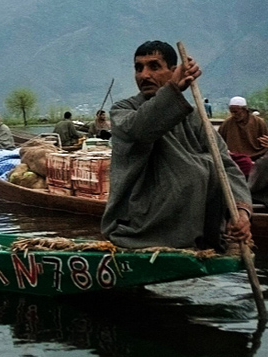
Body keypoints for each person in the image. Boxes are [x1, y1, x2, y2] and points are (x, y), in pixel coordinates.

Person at [101, 40, 252, 251]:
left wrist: (241, 213)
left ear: (173, 71)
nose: (144, 75)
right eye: (139, 68)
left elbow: (226, 166)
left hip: (196, 230)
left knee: (211, 163)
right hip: (139, 228)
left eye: (154, 66)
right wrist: (173, 89)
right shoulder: (124, 111)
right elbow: (139, 129)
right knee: (201, 165)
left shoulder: (195, 118)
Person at [218, 96, 268, 161]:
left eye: (236, 112)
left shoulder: (258, 122)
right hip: (234, 160)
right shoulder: (226, 124)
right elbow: (219, 142)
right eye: (231, 112)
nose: (233, 115)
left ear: (244, 110)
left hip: (256, 158)